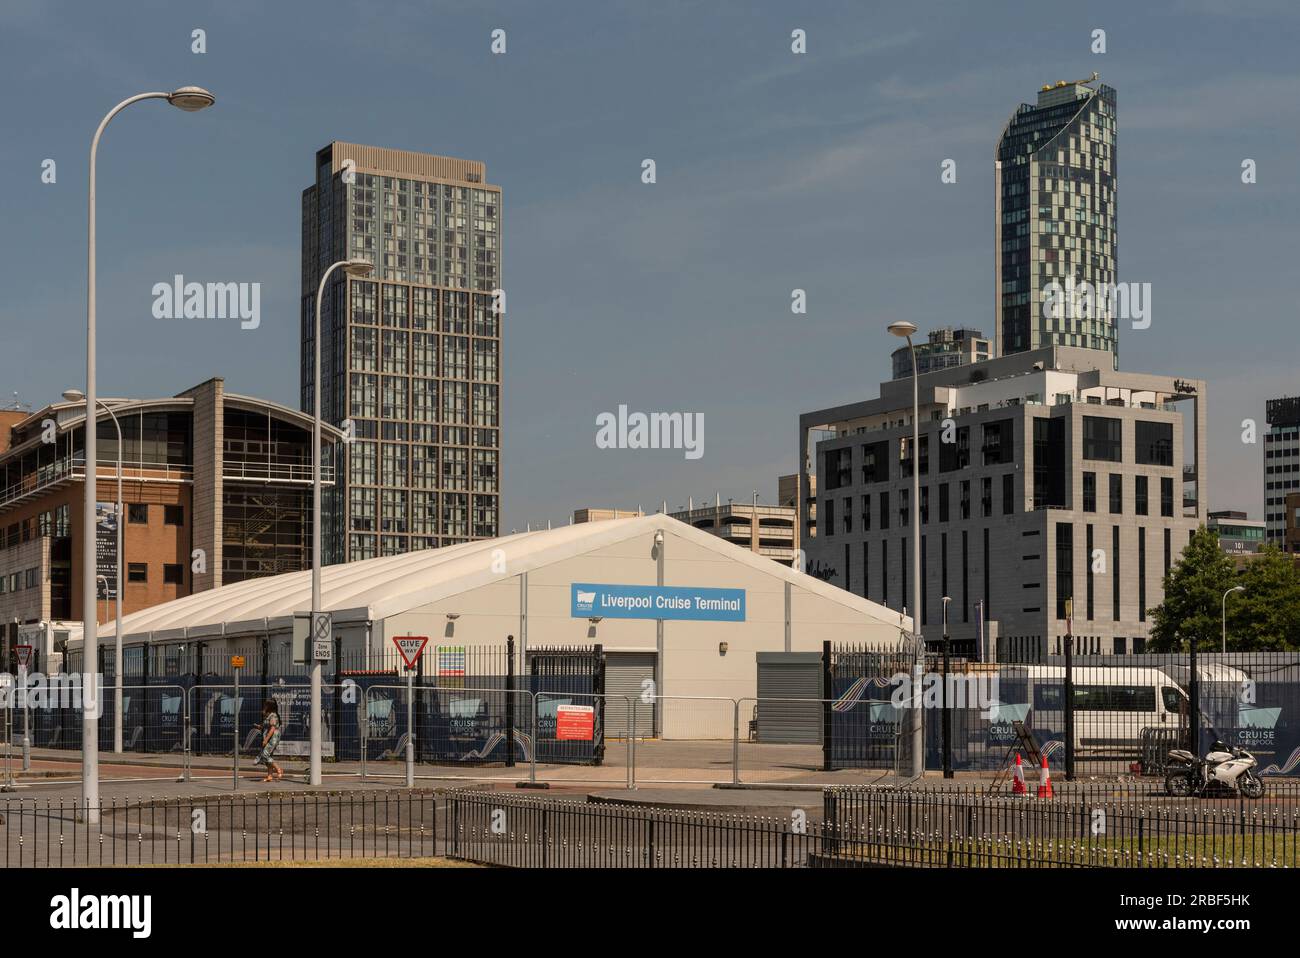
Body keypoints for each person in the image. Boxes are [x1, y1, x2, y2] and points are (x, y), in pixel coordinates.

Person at [254, 698, 284, 782]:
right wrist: (259, 726)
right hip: (270, 737)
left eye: (266, 705)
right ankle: (270, 776)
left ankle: (278, 769)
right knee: (268, 756)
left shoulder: (273, 715)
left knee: (265, 755)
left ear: (269, 706)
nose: (264, 706)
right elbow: (267, 726)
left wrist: (266, 740)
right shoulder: (269, 715)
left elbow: (272, 729)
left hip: (272, 738)